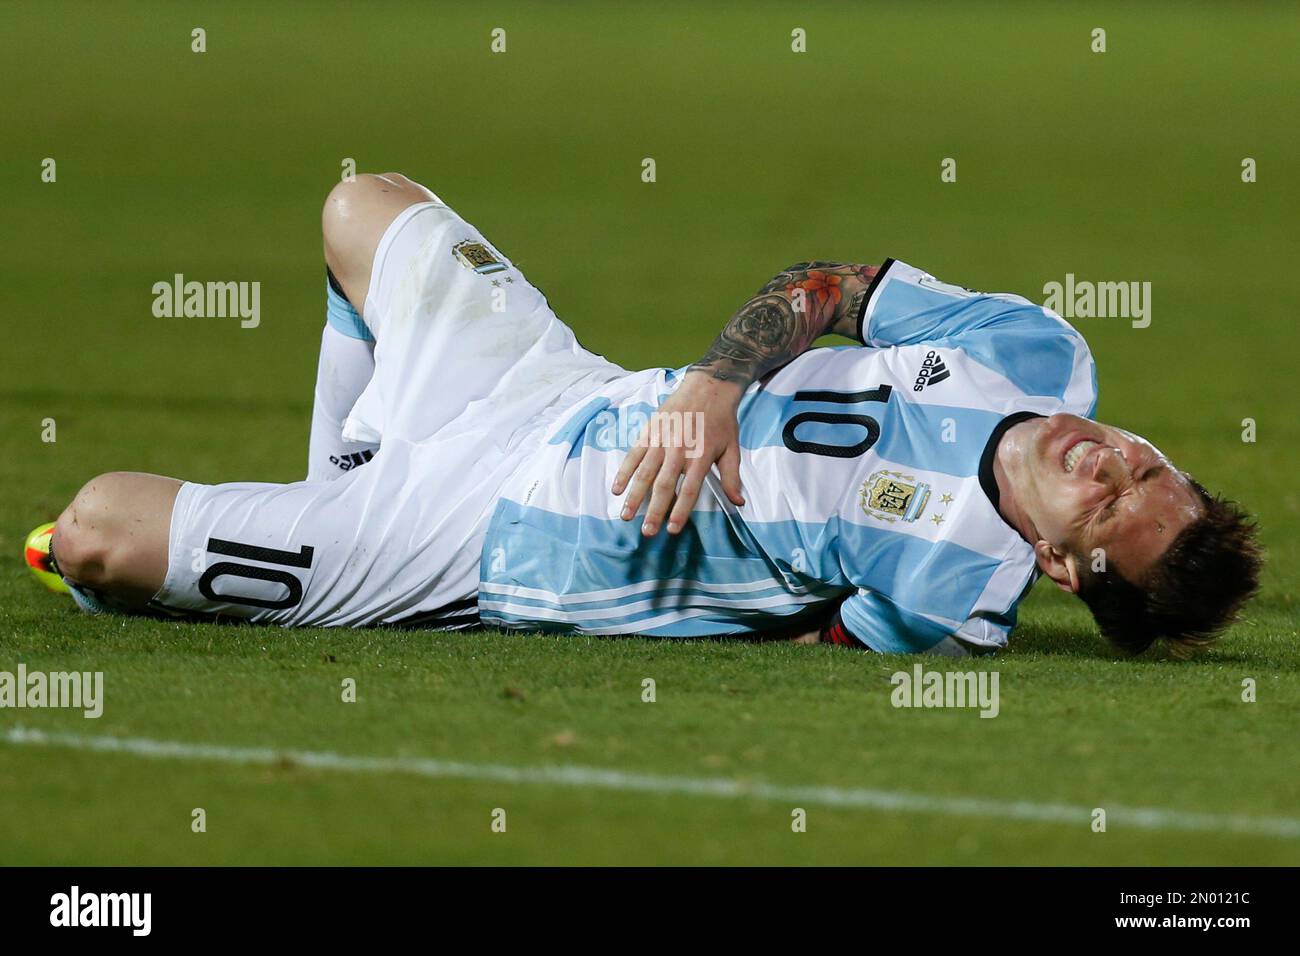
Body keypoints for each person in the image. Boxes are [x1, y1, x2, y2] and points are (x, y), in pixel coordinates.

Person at [28, 172, 1262, 656]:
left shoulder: (953, 591)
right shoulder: (1036, 352)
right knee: (362, 204)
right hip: (555, 389)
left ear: (1056, 562)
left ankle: (351, 514)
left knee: (94, 532)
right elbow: (822, 287)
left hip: (478, 543)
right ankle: (347, 469)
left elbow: (808, 635)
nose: (1108, 459)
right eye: (1148, 465)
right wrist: (711, 387)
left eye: (1108, 502)